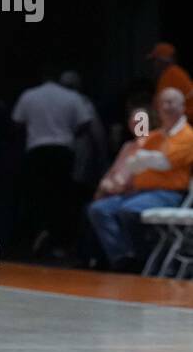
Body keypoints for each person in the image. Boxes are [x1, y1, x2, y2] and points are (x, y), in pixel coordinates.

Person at [87, 88, 193, 272]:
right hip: (138, 192)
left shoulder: (187, 135)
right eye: (163, 103)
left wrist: (144, 159)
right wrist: (117, 180)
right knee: (99, 209)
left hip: (167, 193)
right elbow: (132, 163)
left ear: (182, 107)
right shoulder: (153, 137)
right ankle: (123, 258)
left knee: (129, 210)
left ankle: (142, 258)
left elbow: (164, 162)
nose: (166, 107)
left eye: (171, 102)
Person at [11, 66, 95, 256]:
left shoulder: (29, 95)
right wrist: (71, 134)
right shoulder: (71, 97)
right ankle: (58, 241)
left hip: (37, 149)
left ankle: (40, 232)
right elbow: (86, 123)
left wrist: (34, 130)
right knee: (61, 196)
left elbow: (16, 122)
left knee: (38, 195)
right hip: (62, 149)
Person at [147, 42, 193, 121]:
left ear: (161, 61)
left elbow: (159, 109)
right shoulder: (175, 72)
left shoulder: (170, 75)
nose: (152, 65)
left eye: (154, 60)